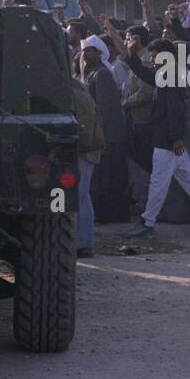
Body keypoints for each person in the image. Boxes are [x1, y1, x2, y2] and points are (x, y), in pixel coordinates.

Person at [127, 40, 190, 236]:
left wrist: (176, 138)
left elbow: (177, 110)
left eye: (154, 57)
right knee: (188, 177)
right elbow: (145, 74)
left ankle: (148, 221)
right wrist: (131, 57)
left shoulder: (172, 77)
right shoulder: (166, 75)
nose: (152, 61)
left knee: (158, 182)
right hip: (170, 139)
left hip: (167, 140)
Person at [79, 36, 129, 223]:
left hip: (110, 135)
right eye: (84, 51)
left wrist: (101, 136)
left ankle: (113, 215)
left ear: (99, 53)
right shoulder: (94, 73)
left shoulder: (102, 74)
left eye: (89, 51)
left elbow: (104, 108)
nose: (85, 55)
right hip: (101, 134)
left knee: (111, 178)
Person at [71, 77, 103, 259]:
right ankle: (84, 242)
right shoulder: (78, 88)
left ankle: (83, 244)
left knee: (80, 196)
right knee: (83, 196)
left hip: (84, 149)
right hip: (88, 149)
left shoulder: (71, 91)